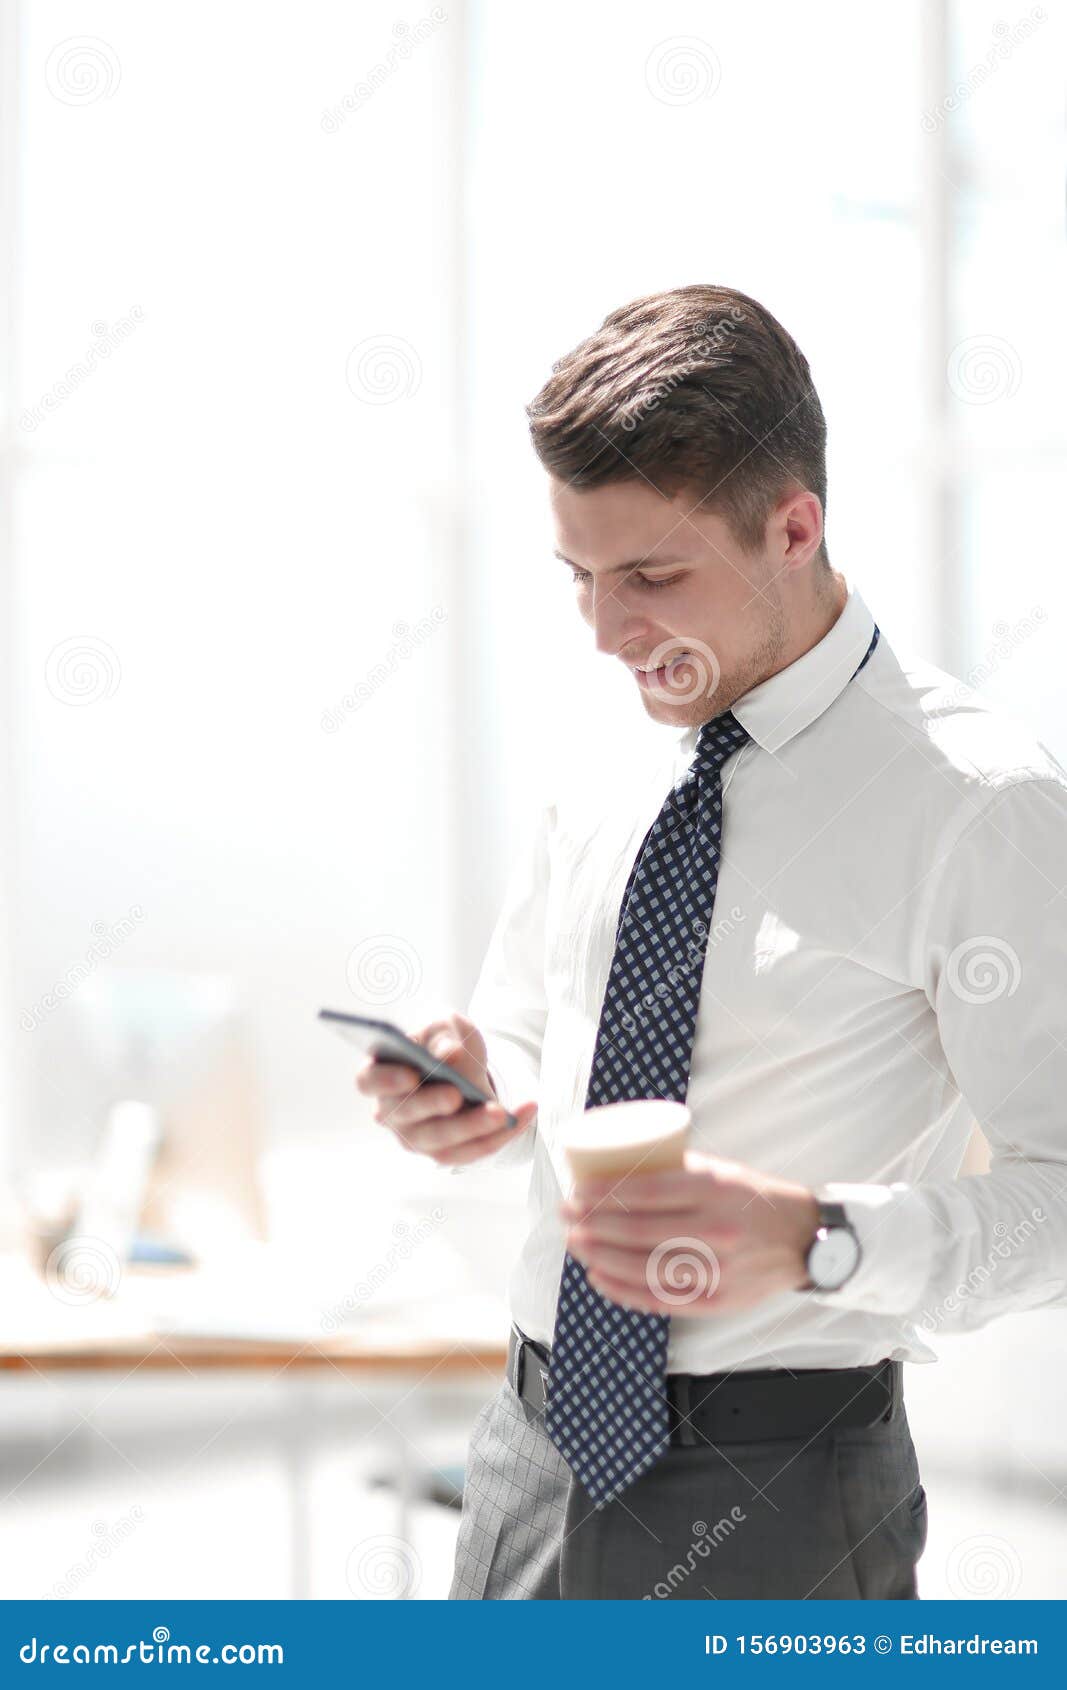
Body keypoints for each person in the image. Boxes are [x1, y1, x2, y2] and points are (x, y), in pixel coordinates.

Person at [355, 284, 1067, 1600]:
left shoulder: (981, 804)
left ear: (794, 526)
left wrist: (816, 1237)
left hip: (784, 1489)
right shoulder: (611, 747)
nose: (604, 629)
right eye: (578, 576)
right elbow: (529, 1017)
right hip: (528, 1446)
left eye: (650, 576)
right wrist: (479, 1075)